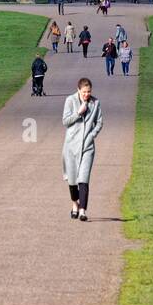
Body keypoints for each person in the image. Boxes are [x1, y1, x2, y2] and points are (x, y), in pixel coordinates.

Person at [62, 77, 102, 222]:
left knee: (83, 179)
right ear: (78, 90)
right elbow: (65, 122)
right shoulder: (70, 101)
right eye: (84, 92)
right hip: (71, 147)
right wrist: (78, 113)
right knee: (72, 181)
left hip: (87, 147)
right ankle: (75, 204)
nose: (87, 94)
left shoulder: (95, 103)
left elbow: (99, 122)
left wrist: (91, 136)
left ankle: (83, 211)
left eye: (89, 91)